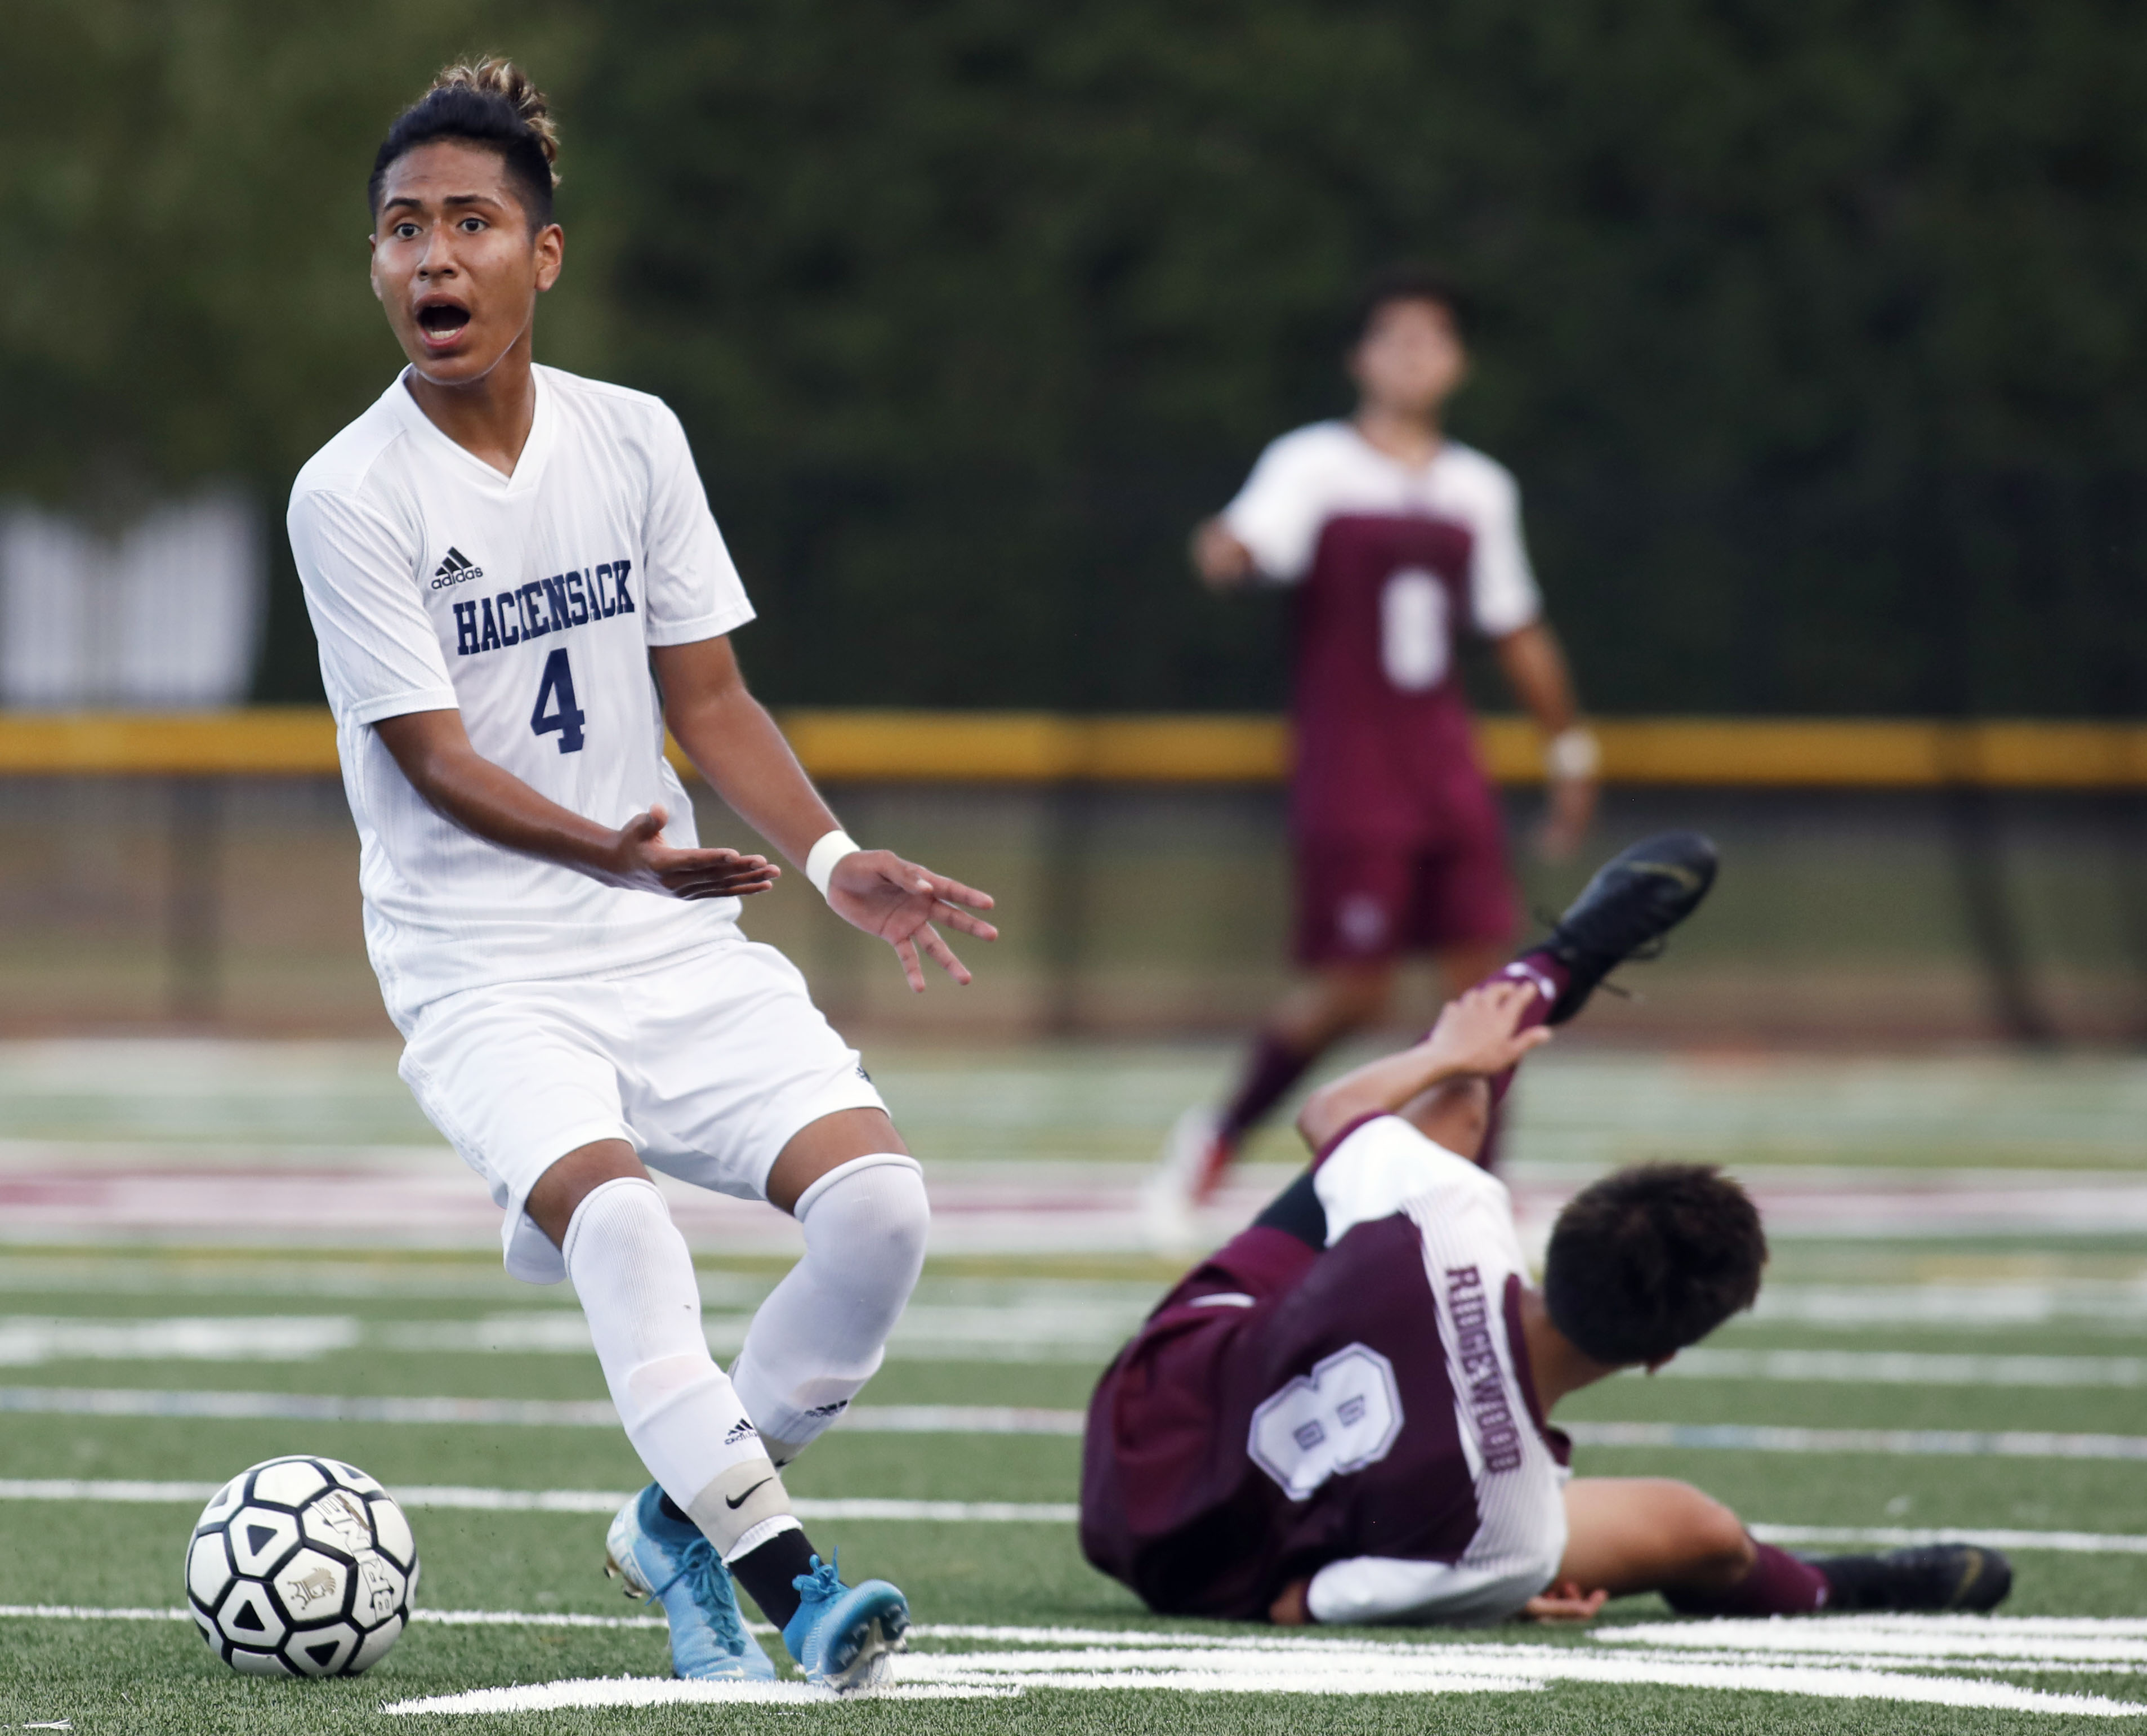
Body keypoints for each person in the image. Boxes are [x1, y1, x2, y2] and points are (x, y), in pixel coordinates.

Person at [288, 60, 999, 1692]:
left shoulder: (636, 437)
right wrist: (600, 839)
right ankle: (779, 1577)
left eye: (470, 222)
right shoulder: (348, 491)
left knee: (882, 1212)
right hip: (478, 960)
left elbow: (709, 699)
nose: (431, 260)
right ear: (378, 267)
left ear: (543, 255)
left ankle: (675, 1520)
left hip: (661, 927)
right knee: (621, 1226)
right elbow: (430, 758)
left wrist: (829, 858)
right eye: (401, 231)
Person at [1086, 833, 2012, 1626]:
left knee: (1445, 1113)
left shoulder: (1454, 1213)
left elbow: (1332, 1111)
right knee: (1697, 1534)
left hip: (1144, 1416)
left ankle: (1555, 966)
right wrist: (1475, 1592)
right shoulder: (1510, 1534)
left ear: (1560, 1234)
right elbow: (1293, 1603)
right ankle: (1825, 1592)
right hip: (1179, 1559)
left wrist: (1448, 1054)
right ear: (1662, 1357)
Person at [1148, 267, 1600, 1240]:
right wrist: (1222, 552)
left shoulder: (1479, 486)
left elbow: (1515, 624)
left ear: (1458, 361)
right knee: (1352, 989)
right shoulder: (1313, 463)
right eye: (1394, 338)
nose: (1413, 357)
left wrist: (1568, 747)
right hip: (1352, 767)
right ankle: (1219, 1133)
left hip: (1444, 766)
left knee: (1488, 992)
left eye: (1432, 339)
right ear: (1360, 357)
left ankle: (1480, 1186)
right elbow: (1242, 544)